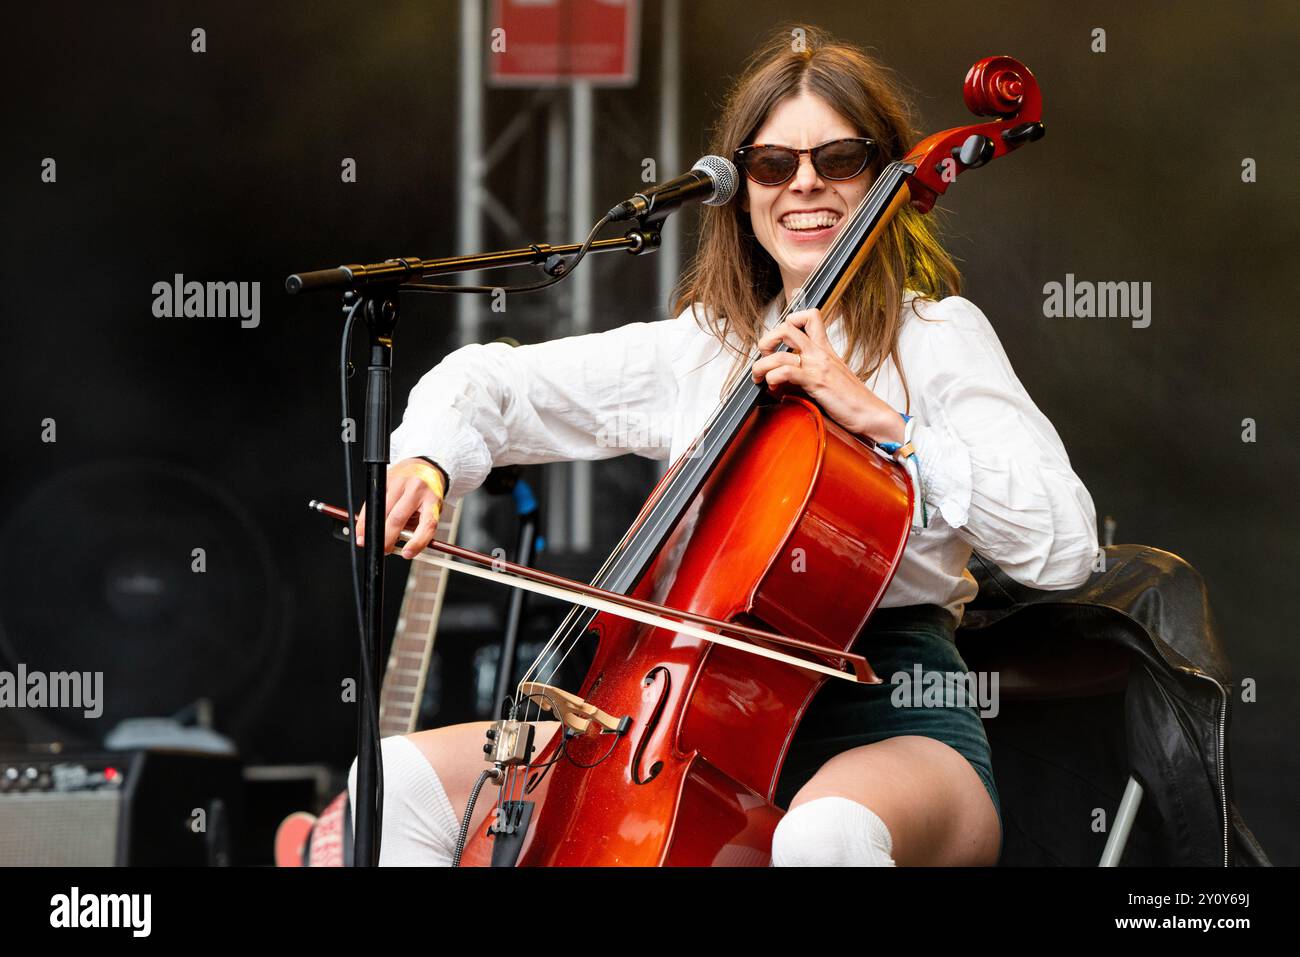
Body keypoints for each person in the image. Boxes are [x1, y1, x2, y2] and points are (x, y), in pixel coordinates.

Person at [349, 26, 1098, 867]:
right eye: (774, 165)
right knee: (390, 781)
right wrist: (428, 459)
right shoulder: (706, 348)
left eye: (839, 159)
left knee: (826, 837)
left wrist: (877, 418)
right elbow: (489, 383)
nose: (804, 184)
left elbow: (1065, 545)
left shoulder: (936, 338)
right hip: (692, 719)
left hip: (892, 714)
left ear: (887, 179)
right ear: (741, 191)